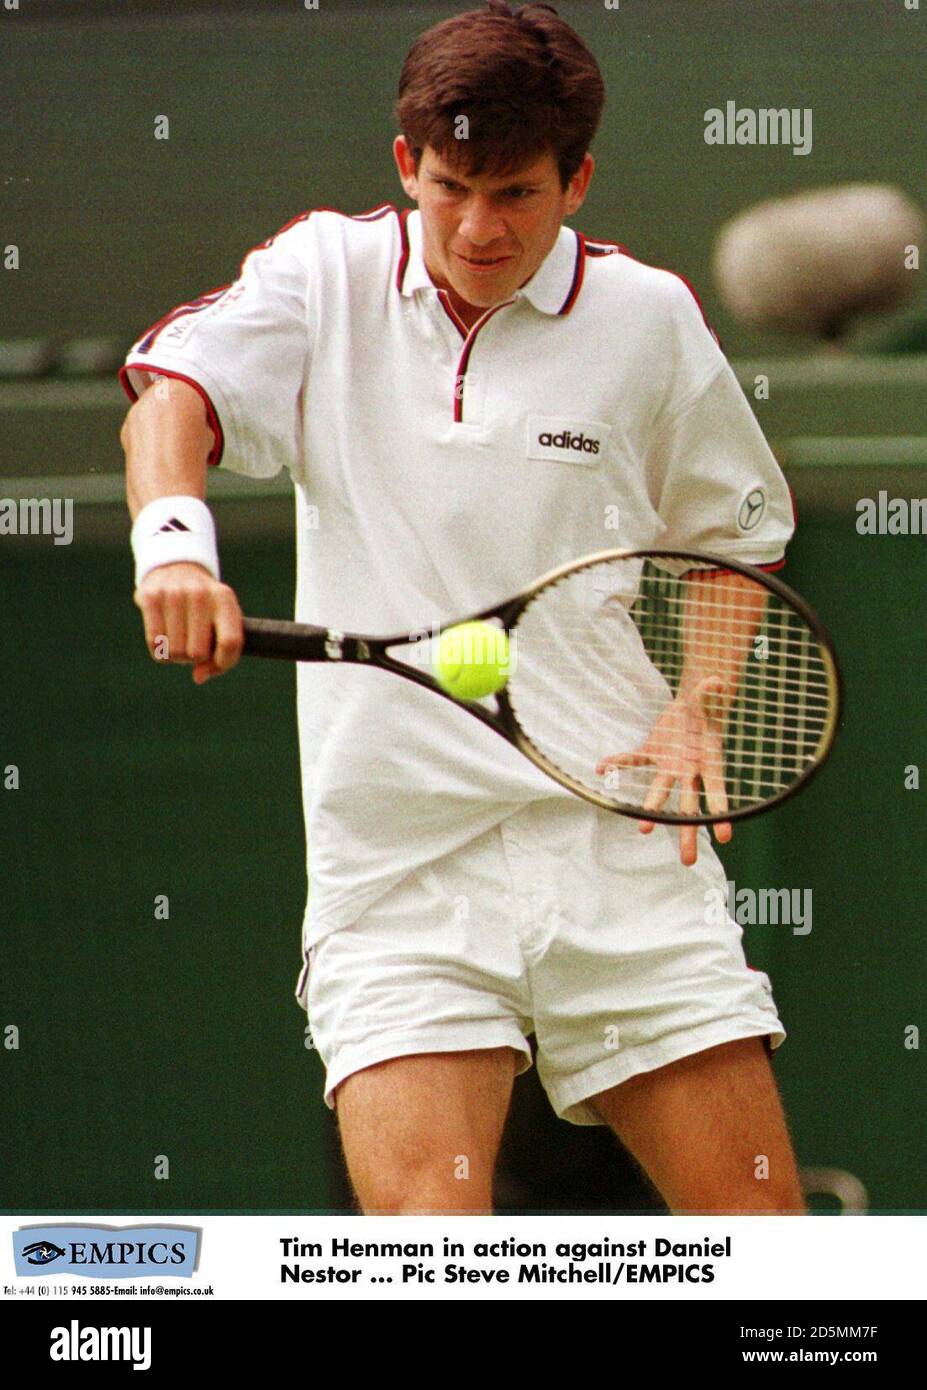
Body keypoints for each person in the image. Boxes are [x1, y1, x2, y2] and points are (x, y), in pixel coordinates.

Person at [119, 0, 804, 1215]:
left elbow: (728, 543)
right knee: (434, 1268)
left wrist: (698, 711)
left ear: (577, 181)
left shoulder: (650, 321)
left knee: (772, 1264)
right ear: (406, 166)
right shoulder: (322, 276)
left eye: (518, 196)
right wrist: (173, 543)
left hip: (620, 841)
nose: (478, 229)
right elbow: (172, 399)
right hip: (398, 866)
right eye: (450, 189)